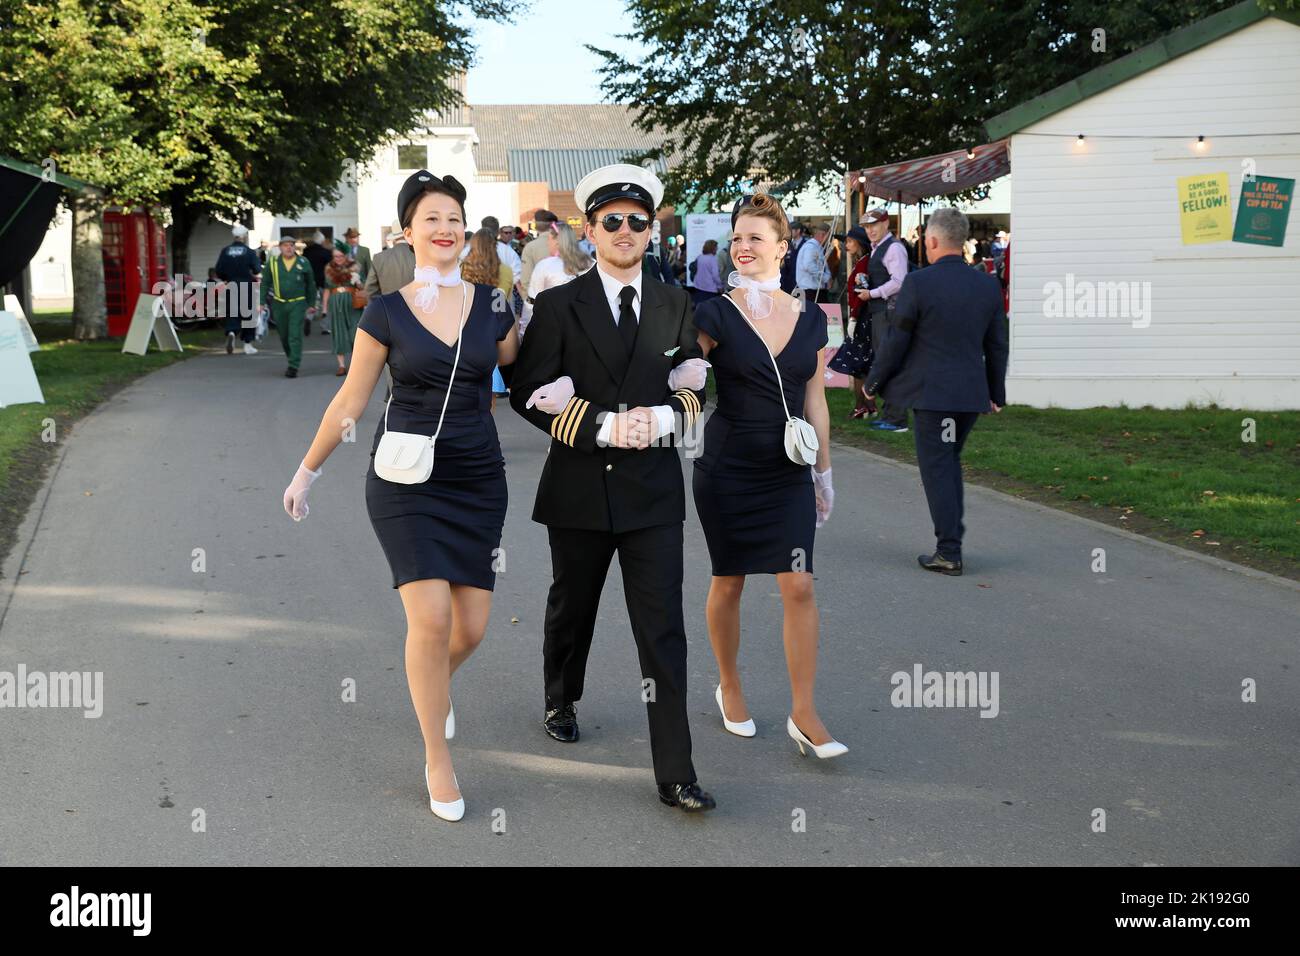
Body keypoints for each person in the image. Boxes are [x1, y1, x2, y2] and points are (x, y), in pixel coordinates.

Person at [282, 170, 519, 822]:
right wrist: (308, 472)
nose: (444, 229)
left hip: (477, 479)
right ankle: (436, 757)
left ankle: (432, 687)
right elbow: (351, 400)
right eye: (431, 218)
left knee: (471, 627)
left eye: (454, 219)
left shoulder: (494, 304)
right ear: (408, 231)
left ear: (464, 230)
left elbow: (522, 365)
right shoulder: (385, 309)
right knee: (433, 619)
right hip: (405, 480)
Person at [508, 162, 716, 813]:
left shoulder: (675, 303)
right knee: (574, 609)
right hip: (578, 486)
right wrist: (597, 425)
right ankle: (560, 695)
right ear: (589, 229)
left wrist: (660, 419)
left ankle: (676, 772)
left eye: (637, 221)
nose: (624, 231)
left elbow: (693, 387)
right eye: (611, 221)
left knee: (663, 630)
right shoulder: (558, 304)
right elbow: (525, 394)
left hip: (651, 492)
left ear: (652, 231)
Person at [691, 193, 843, 760]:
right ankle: (730, 684)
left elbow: (817, 403)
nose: (743, 246)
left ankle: (804, 712)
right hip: (727, 466)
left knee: (798, 584)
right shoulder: (715, 311)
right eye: (736, 238)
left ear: (784, 247)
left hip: (788, 471)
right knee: (729, 580)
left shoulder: (809, 321)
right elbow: (682, 373)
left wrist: (824, 474)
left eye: (756, 237)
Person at [864, 207, 1008, 576]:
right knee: (948, 465)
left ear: (930, 240)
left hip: (933, 396)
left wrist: (873, 381)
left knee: (939, 469)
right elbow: (996, 345)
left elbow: (897, 339)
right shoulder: (986, 285)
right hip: (970, 396)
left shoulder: (919, 283)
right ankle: (950, 544)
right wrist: (996, 393)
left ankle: (949, 551)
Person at [859, 207, 911, 433]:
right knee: (885, 361)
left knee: (890, 362)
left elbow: (900, 281)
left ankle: (897, 418)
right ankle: (891, 414)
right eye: (867, 227)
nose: (870, 230)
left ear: (886, 224)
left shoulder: (893, 248)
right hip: (882, 312)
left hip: (889, 312)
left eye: (874, 225)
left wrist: (872, 293)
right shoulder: (879, 248)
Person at [461, 226, 516, 398]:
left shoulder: (462, 269)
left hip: (468, 325)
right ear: (494, 246)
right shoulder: (505, 270)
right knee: (489, 393)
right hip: (494, 326)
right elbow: (503, 299)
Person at [260, 235, 317, 378]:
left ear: (294, 247)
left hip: (297, 303)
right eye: (285, 245)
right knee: (284, 336)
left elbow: (311, 284)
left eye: (291, 245)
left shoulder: (303, 262)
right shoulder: (272, 263)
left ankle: (293, 365)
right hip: (279, 303)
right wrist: (261, 302)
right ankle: (291, 357)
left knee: (294, 335)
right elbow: (265, 283)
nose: (289, 248)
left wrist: (311, 304)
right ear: (280, 247)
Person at [524, 221, 592, 336]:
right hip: (586, 329)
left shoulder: (545, 266)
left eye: (549, 238)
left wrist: (525, 331)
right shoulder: (592, 264)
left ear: (557, 241)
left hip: (553, 330)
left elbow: (532, 302)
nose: (547, 242)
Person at [838, 224, 875, 419]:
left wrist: (853, 317)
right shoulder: (863, 262)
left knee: (858, 363)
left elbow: (860, 293)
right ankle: (868, 405)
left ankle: (862, 406)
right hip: (862, 316)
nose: (846, 244)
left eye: (850, 241)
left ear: (859, 243)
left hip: (861, 318)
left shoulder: (863, 264)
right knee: (862, 363)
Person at [214, 223, 261, 356]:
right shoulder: (249, 252)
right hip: (246, 284)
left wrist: (226, 278)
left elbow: (219, 270)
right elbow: (257, 269)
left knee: (233, 312)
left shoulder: (225, 251)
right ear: (244, 236)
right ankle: (247, 344)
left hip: (231, 284)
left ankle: (231, 332)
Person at [322, 247, 362, 376]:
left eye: (340, 256)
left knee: (355, 333)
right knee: (339, 332)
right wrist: (324, 307)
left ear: (345, 256)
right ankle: (341, 366)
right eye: (335, 256)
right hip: (336, 302)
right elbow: (327, 289)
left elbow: (363, 287)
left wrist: (358, 281)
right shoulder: (328, 269)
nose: (338, 259)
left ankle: (357, 365)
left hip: (353, 302)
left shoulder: (355, 267)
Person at [302, 231, 333, 336]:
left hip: (310, 280)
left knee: (311, 302)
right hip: (324, 281)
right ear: (322, 241)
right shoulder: (326, 252)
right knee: (326, 304)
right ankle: (325, 327)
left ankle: (308, 318)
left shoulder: (306, 251)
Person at [690, 238, 724, 304]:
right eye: (716, 247)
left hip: (698, 287)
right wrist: (720, 286)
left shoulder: (699, 257)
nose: (717, 248)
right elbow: (715, 275)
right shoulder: (713, 259)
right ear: (713, 248)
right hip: (710, 290)